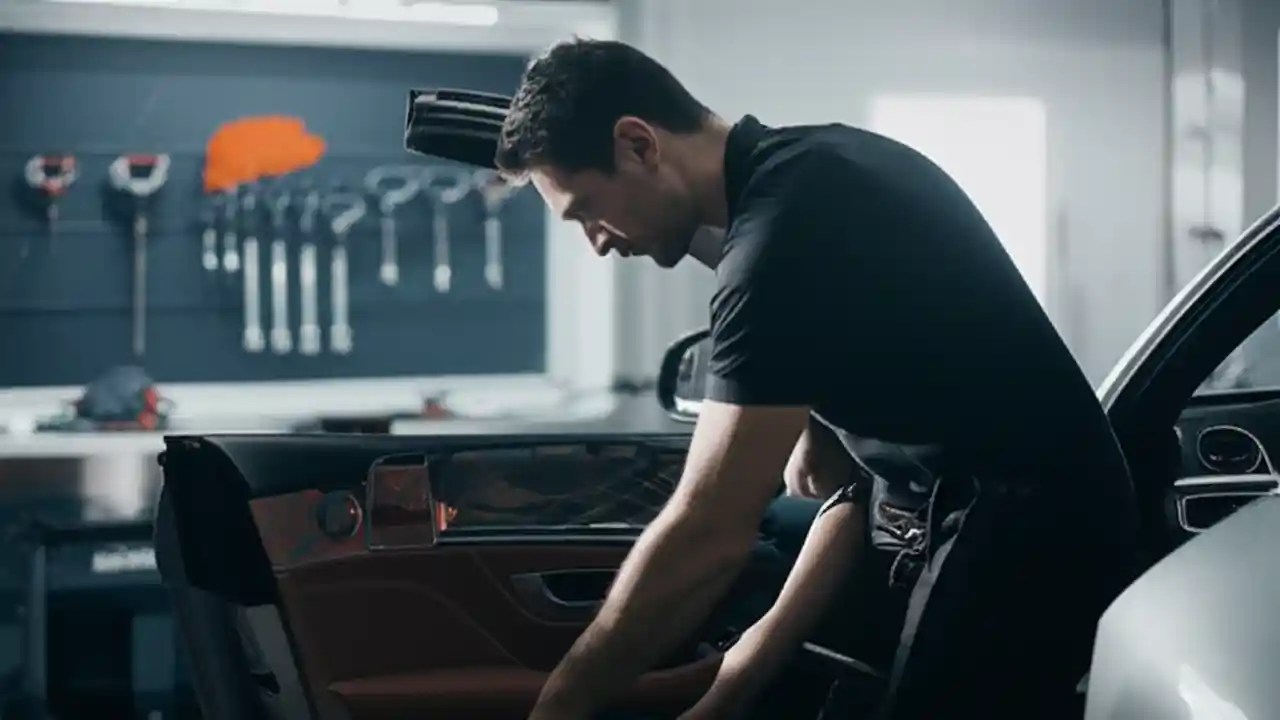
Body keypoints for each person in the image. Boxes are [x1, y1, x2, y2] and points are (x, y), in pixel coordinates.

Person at [496, 38, 1140, 720]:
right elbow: (841, 481)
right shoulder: (813, 168)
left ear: (638, 145)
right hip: (969, 513)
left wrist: (559, 706)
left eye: (586, 211)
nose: (596, 242)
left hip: (1028, 535)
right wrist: (735, 681)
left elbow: (708, 531)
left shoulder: (780, 242)